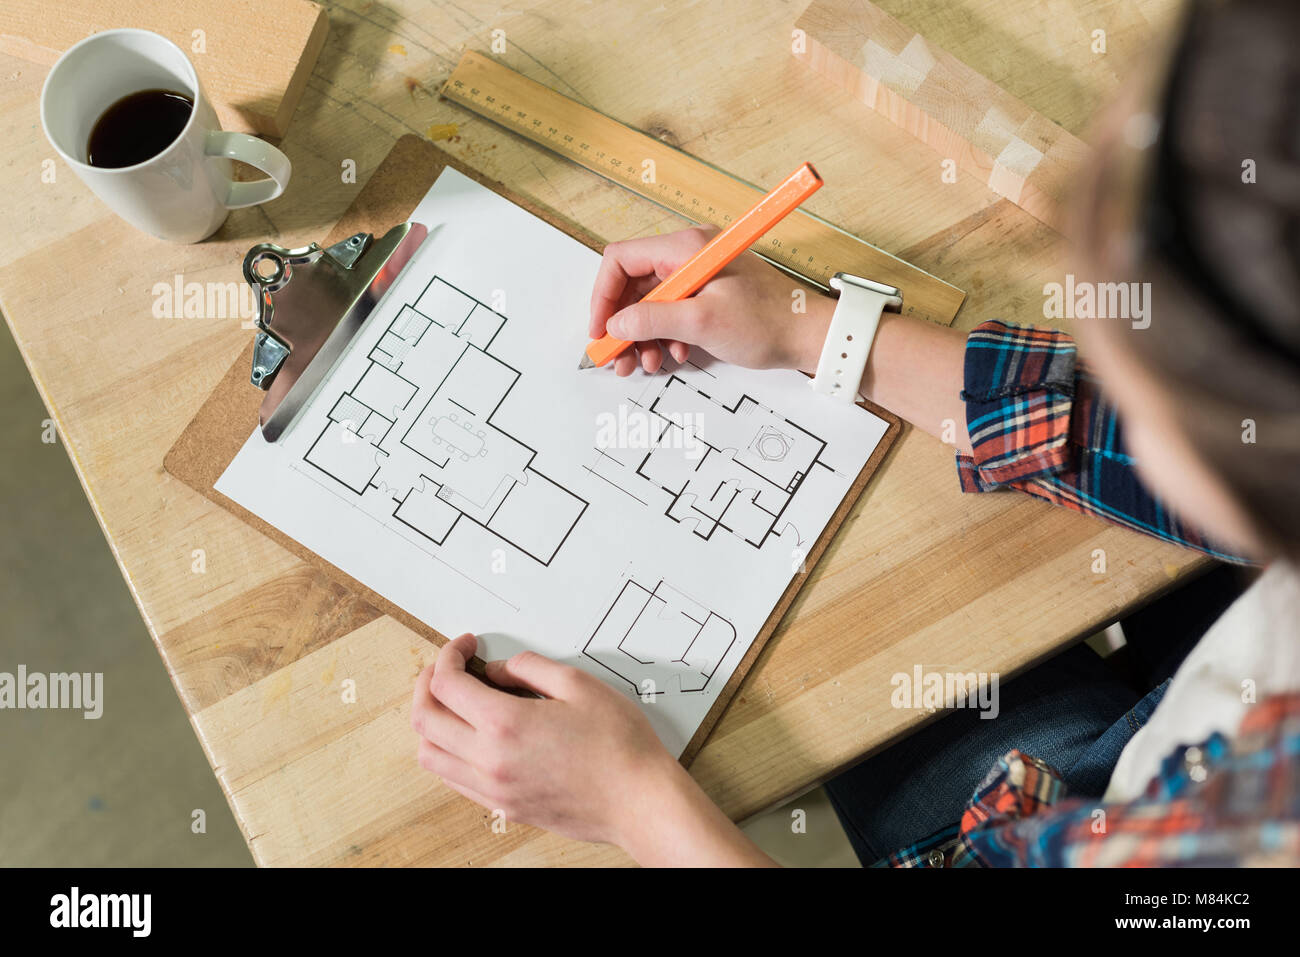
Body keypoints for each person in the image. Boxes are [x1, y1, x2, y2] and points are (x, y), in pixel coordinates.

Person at [410, 0, 1300, 866]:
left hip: (1044, 823)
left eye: (1128, 362)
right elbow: (1115, 423)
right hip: (1222, 675)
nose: (1094, 366)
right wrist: (818, 331)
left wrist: (633, 802)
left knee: (882, 673)